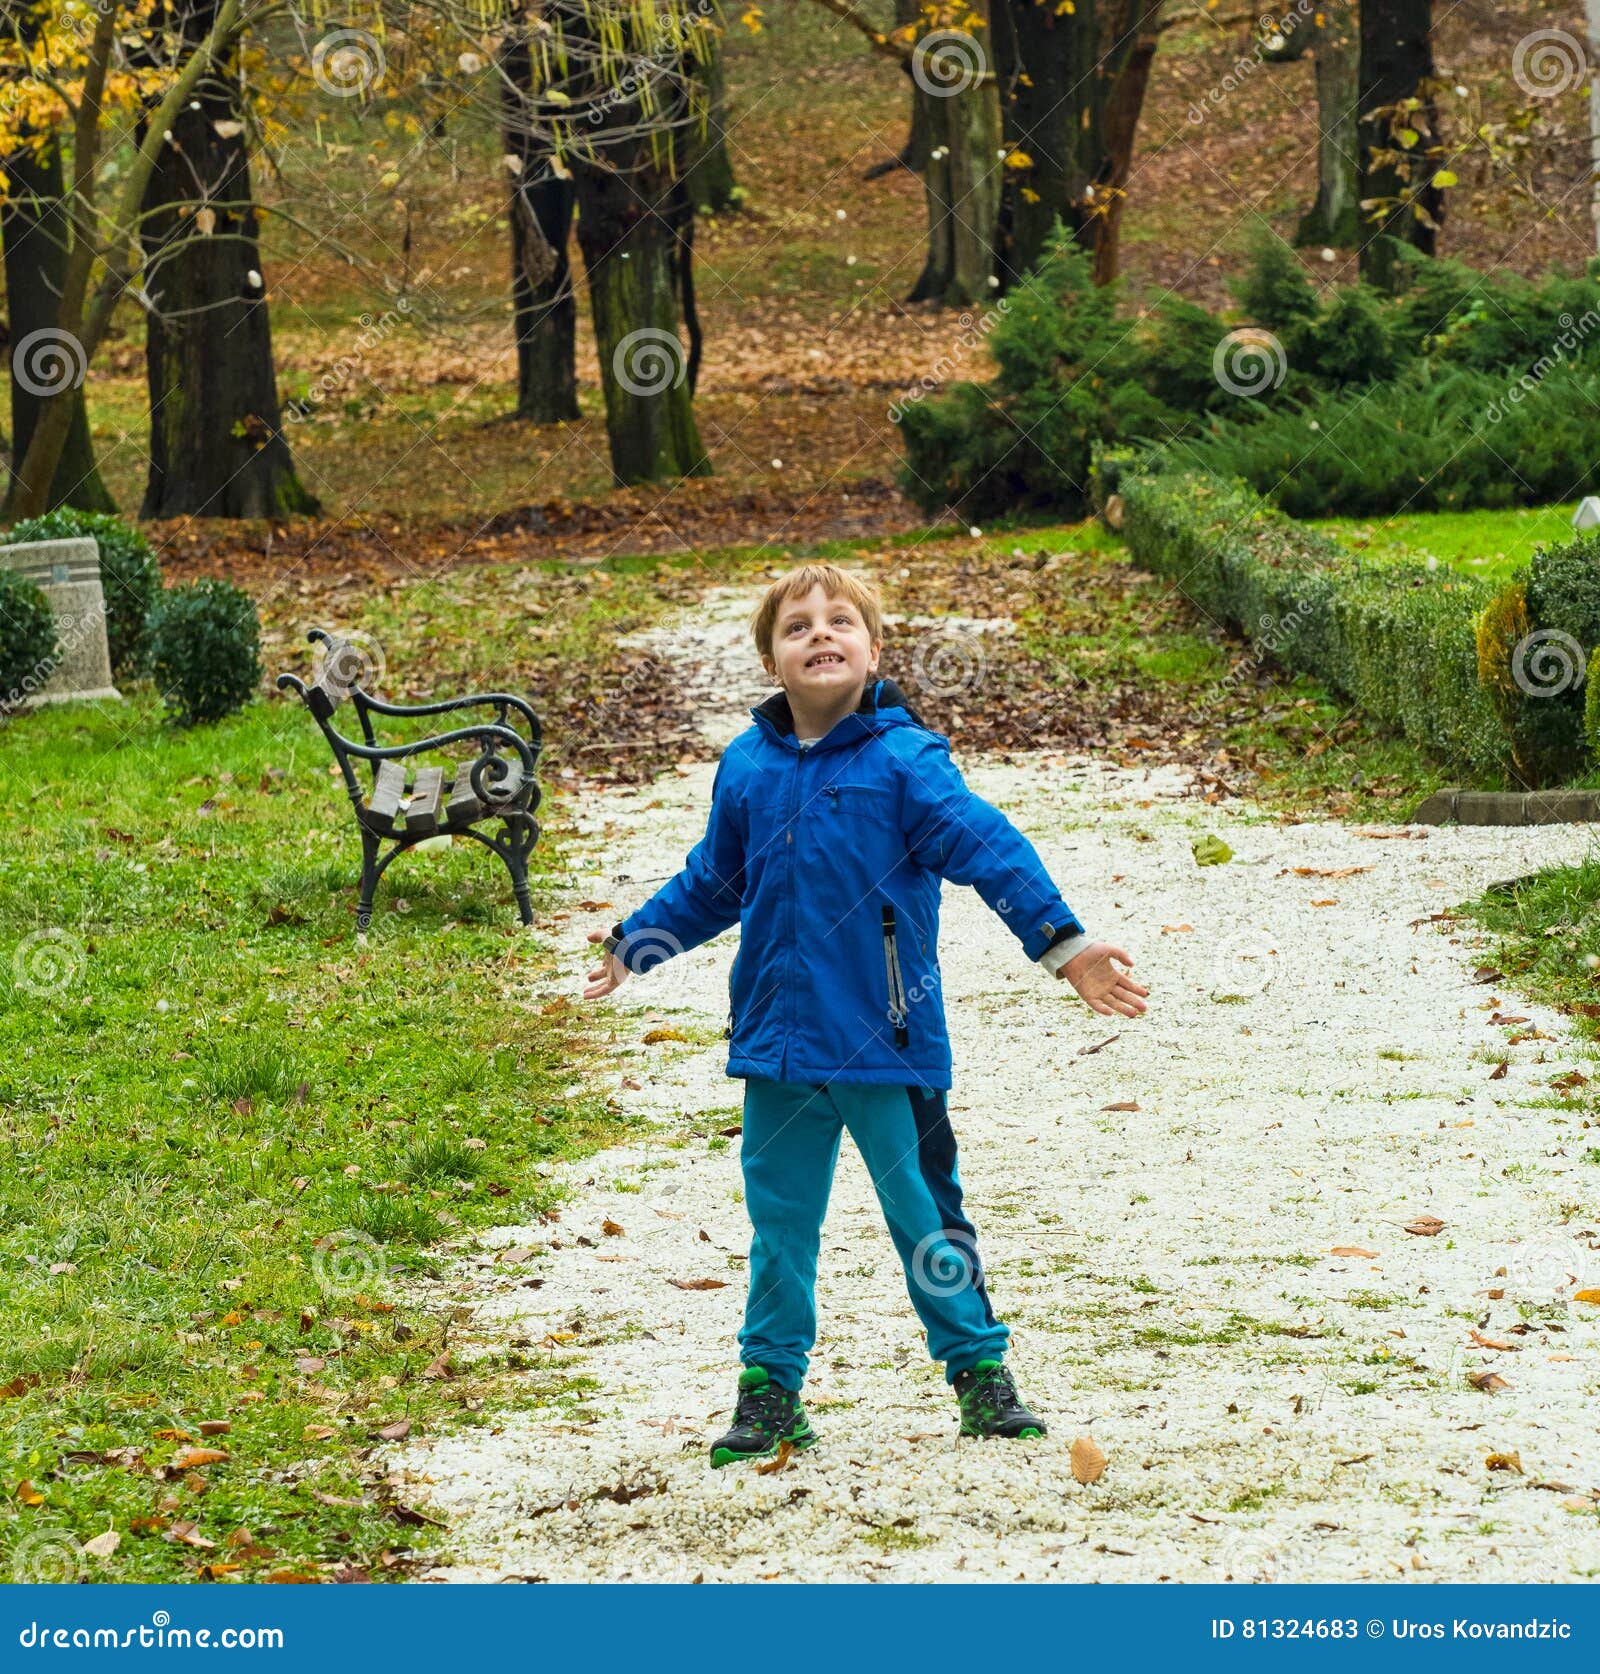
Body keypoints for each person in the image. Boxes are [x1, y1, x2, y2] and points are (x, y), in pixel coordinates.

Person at [584, 563, 1148, 1466]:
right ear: (771, 659)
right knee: (780, 1225)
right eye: (797, 626)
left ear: (873, 650)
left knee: (924, 1218)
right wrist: (638, 940)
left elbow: (988, 848)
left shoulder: (905, 760)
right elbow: (715, 882)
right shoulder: (748, 766)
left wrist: (1066, 946)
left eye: (839, 621)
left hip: (888, 1038)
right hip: (777, 1044)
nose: (820, 635)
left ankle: (978, 1373)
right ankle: (768, 1392)